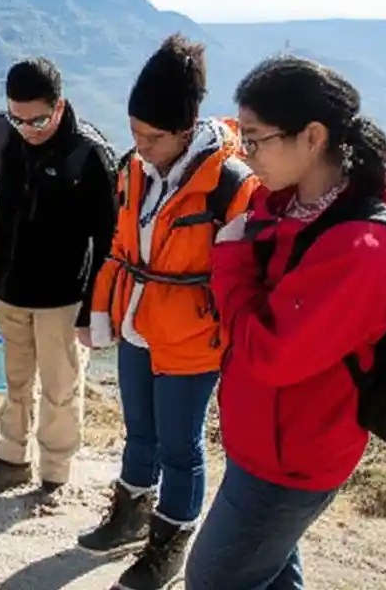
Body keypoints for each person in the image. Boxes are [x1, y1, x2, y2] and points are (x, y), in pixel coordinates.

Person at [184, 56, 386, 590]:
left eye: (256, 139)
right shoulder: (287, 206)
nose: (246, 154)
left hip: (292, 461)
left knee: (213, 579)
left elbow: (272, 353)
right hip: (265, 439)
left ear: (311, 137)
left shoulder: (361, 249)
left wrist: (230, 259)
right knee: (269, 572)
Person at [75, 34, 257, 590]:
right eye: (135, 133)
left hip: (192, 335)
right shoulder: (134, 168)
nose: (142, 145)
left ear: (187, 128)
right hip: (137, 320)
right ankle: (130, 515)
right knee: (140, 432)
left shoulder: (230, 185)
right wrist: (100, 310)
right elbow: (119, 245)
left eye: (153, 137)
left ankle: (170, 541)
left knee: (181, 445)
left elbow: (242, 273)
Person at [0, 56, 118, 495]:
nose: (27, 128)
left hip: (63, 296)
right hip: (9, 286)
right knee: (14, 380)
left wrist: (93, 308)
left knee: (60, 388)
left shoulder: (89, 152)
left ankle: (54, 471)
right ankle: (11, 457)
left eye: (38, 119)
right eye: (18, 117)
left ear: (60, 106)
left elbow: (109, 238)